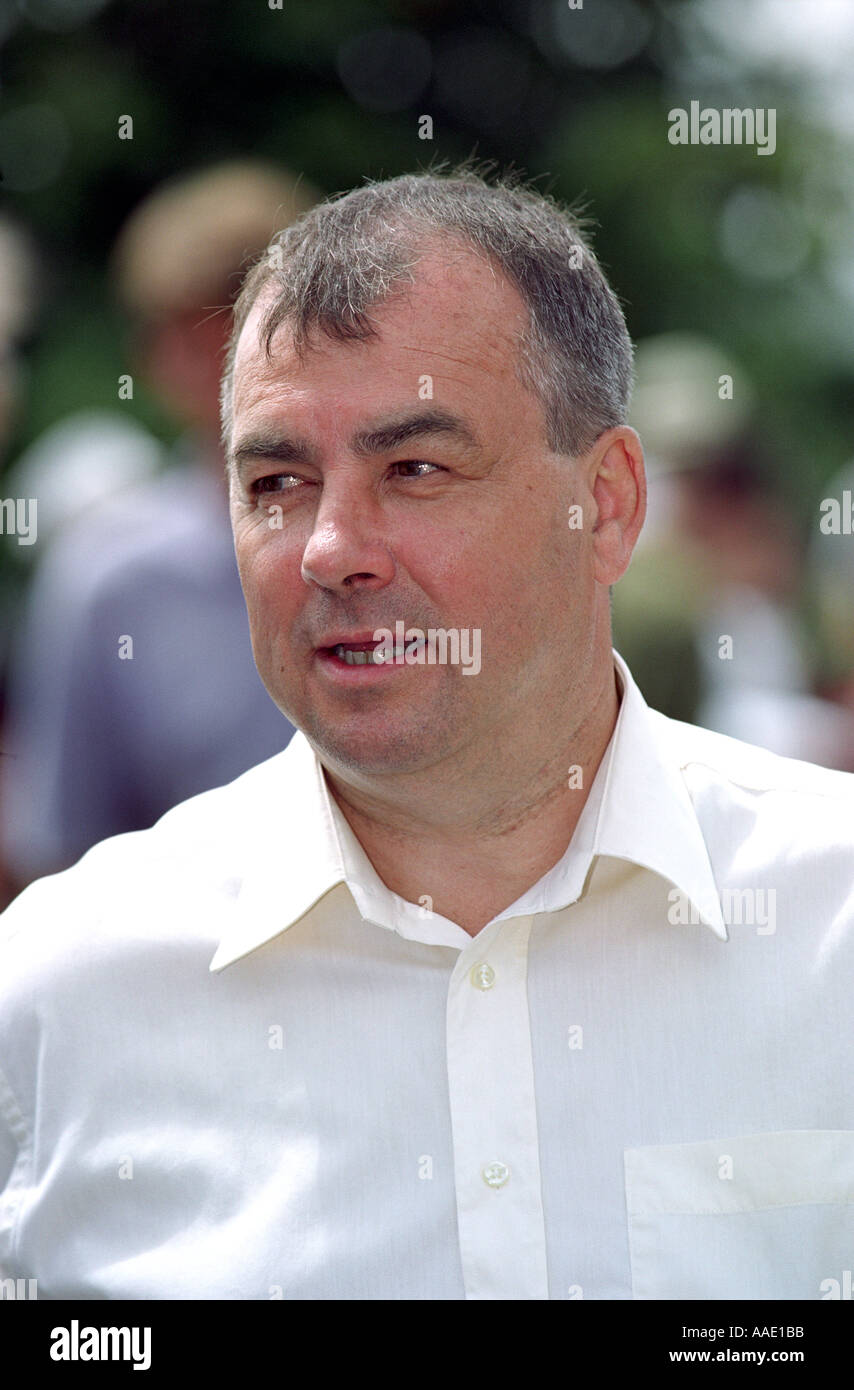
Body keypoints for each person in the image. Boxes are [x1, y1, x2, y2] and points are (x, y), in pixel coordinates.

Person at [1, 167, 852, 1301]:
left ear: (604, 505)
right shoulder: (63, 994)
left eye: (414, 468)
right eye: (275, 480)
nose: (329, 546)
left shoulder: (827, 925)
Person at [0, 163, 314, 891]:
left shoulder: (424, 540)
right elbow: (63, 860)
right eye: (176, 331)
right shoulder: (107, 575)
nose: (210, 361)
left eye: (226, 323)